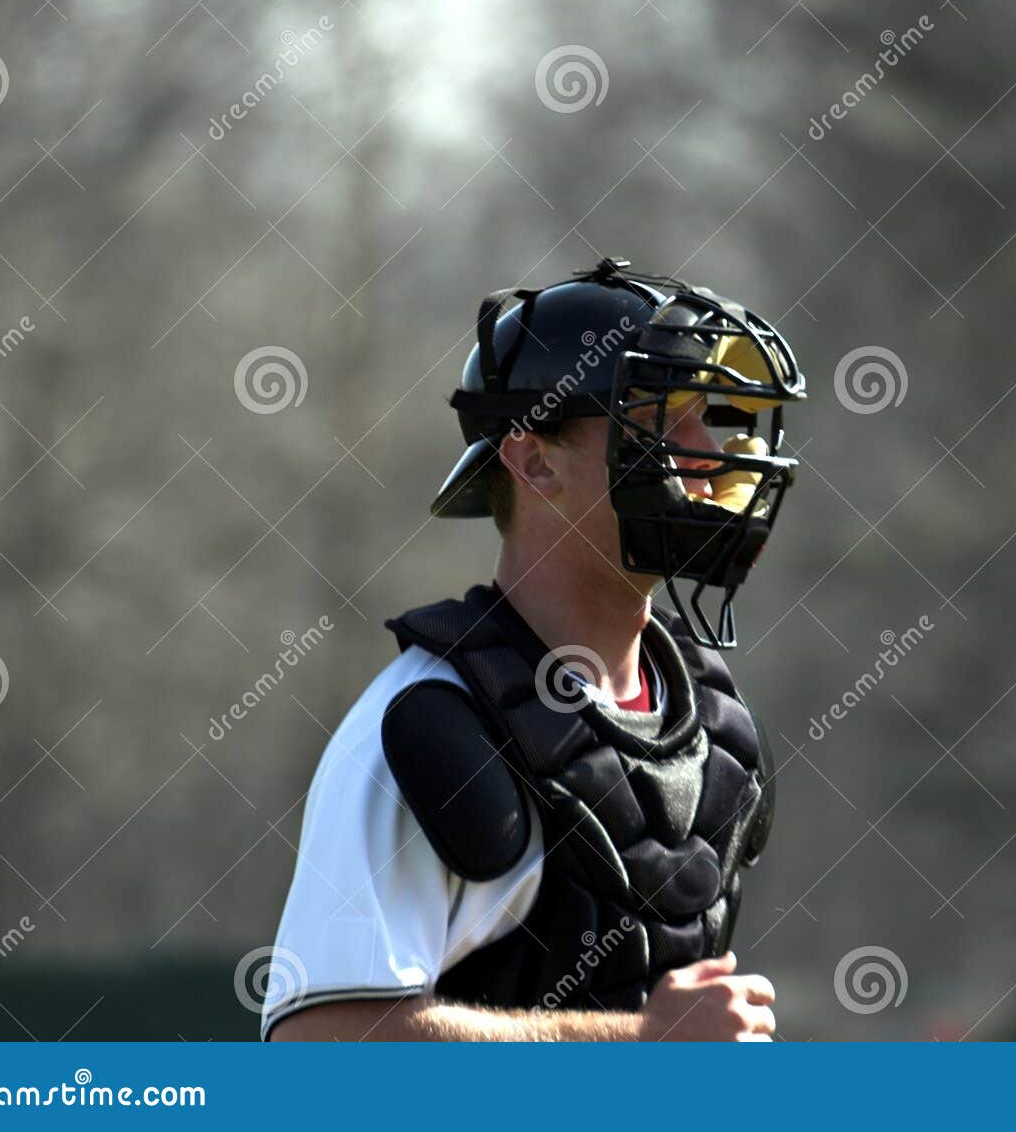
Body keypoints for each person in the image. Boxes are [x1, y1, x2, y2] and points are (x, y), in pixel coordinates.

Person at [263, 259, 807, 1041]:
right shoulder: (428, 727)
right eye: (662, 422)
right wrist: (642, 1047)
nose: (705, 453)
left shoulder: (710, 720)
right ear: (535, 460)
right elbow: (319, 1049)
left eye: (707, 419)